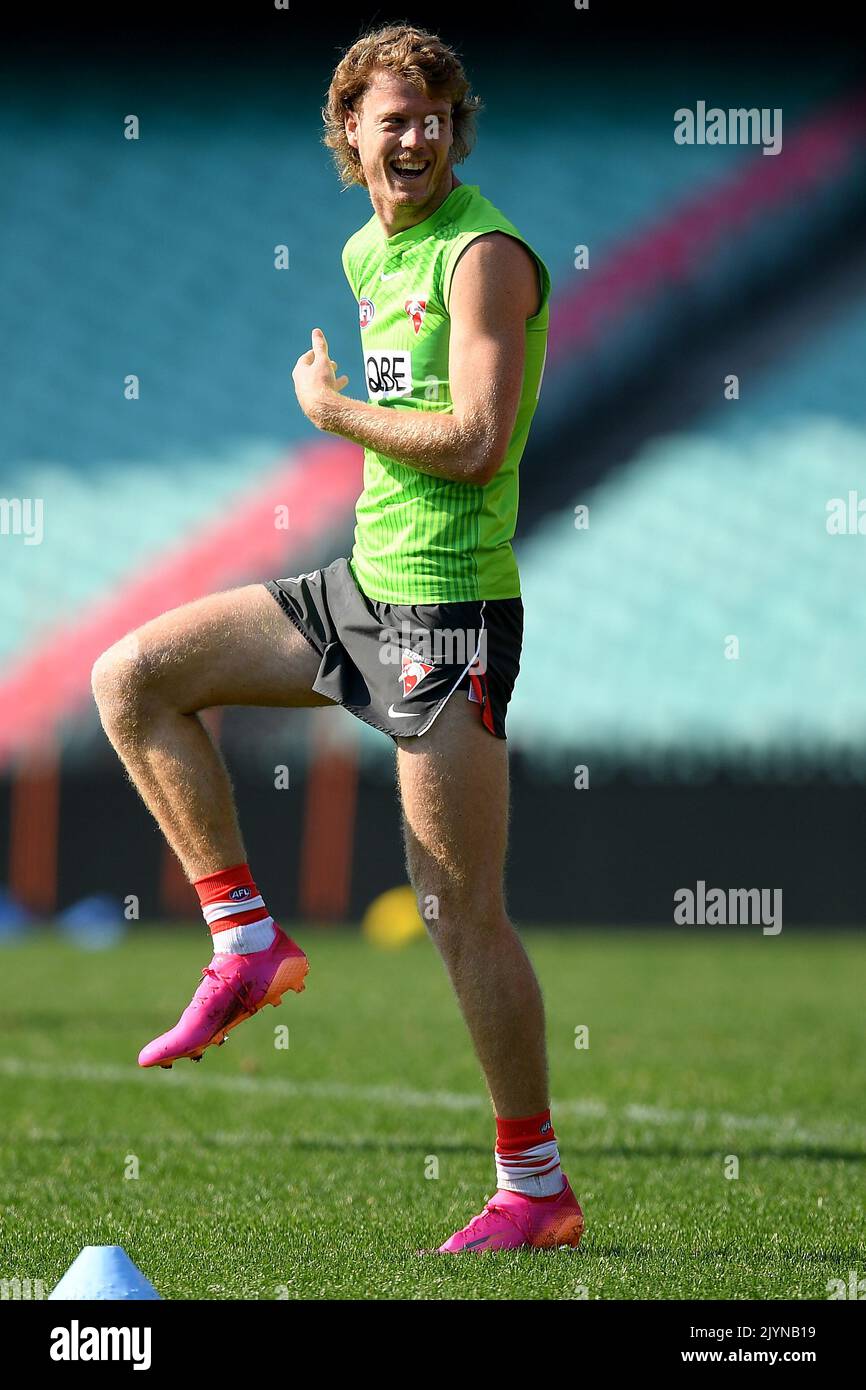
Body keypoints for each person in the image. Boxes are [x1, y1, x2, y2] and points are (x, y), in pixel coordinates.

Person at [91, 22, 584, 1255]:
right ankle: (244, 938)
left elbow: (472, 438)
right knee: (133, 677)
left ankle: (534, 1189)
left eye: (430, 115)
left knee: (456, 910)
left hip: (447, 611)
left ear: (451, 129)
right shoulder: (369, 249)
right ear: (348, 131)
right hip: (360, 589)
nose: (410, 135)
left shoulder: (482, 257)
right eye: (388, 116)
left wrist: (332, 412)